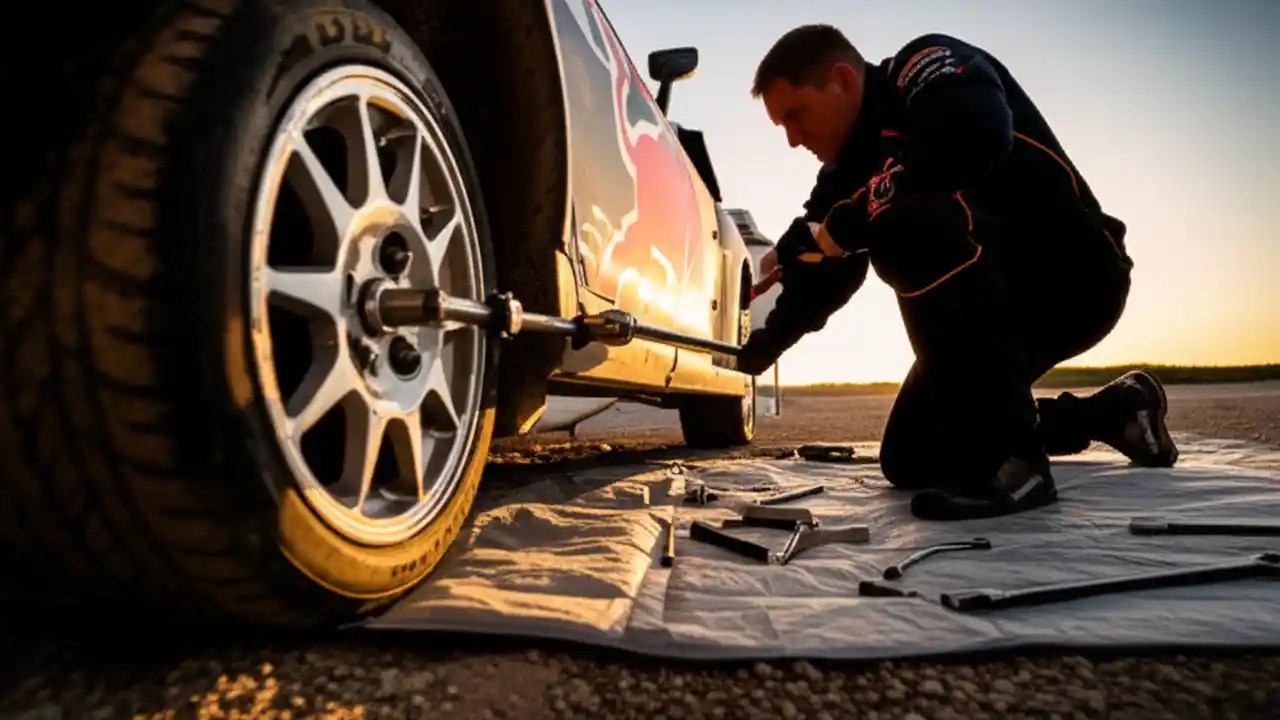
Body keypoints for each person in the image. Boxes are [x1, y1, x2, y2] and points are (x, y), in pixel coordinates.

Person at [736, 25, 1179, 521]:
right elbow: (827, 264)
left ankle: (1014, 464)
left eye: (796, 116)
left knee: (907, 224)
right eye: (782, 128)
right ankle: (1115, 412)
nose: (794, 140)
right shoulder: (848, 169)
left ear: (841, 80)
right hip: (990, 304)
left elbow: (975, 131)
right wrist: (762, 347)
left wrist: (853, 218)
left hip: (1074, 276)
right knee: (912, 456)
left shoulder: (922, 67)